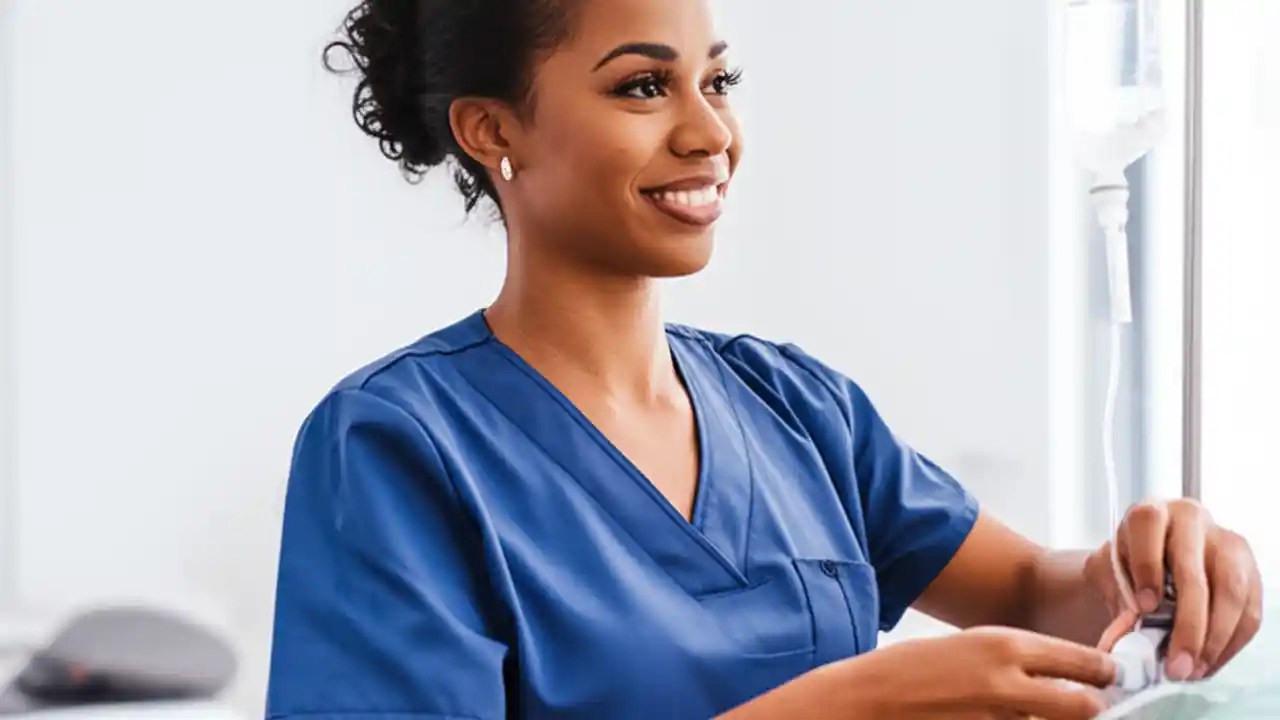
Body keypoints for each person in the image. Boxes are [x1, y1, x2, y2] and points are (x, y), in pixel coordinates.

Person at [265, 1, 1263, 717]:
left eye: (718, 82)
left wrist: (1148, 573)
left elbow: (1026, 594)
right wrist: (851, 707)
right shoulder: (395, 447)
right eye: (643, 86)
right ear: (492, 131)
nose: (709, 133)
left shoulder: (792, 404)